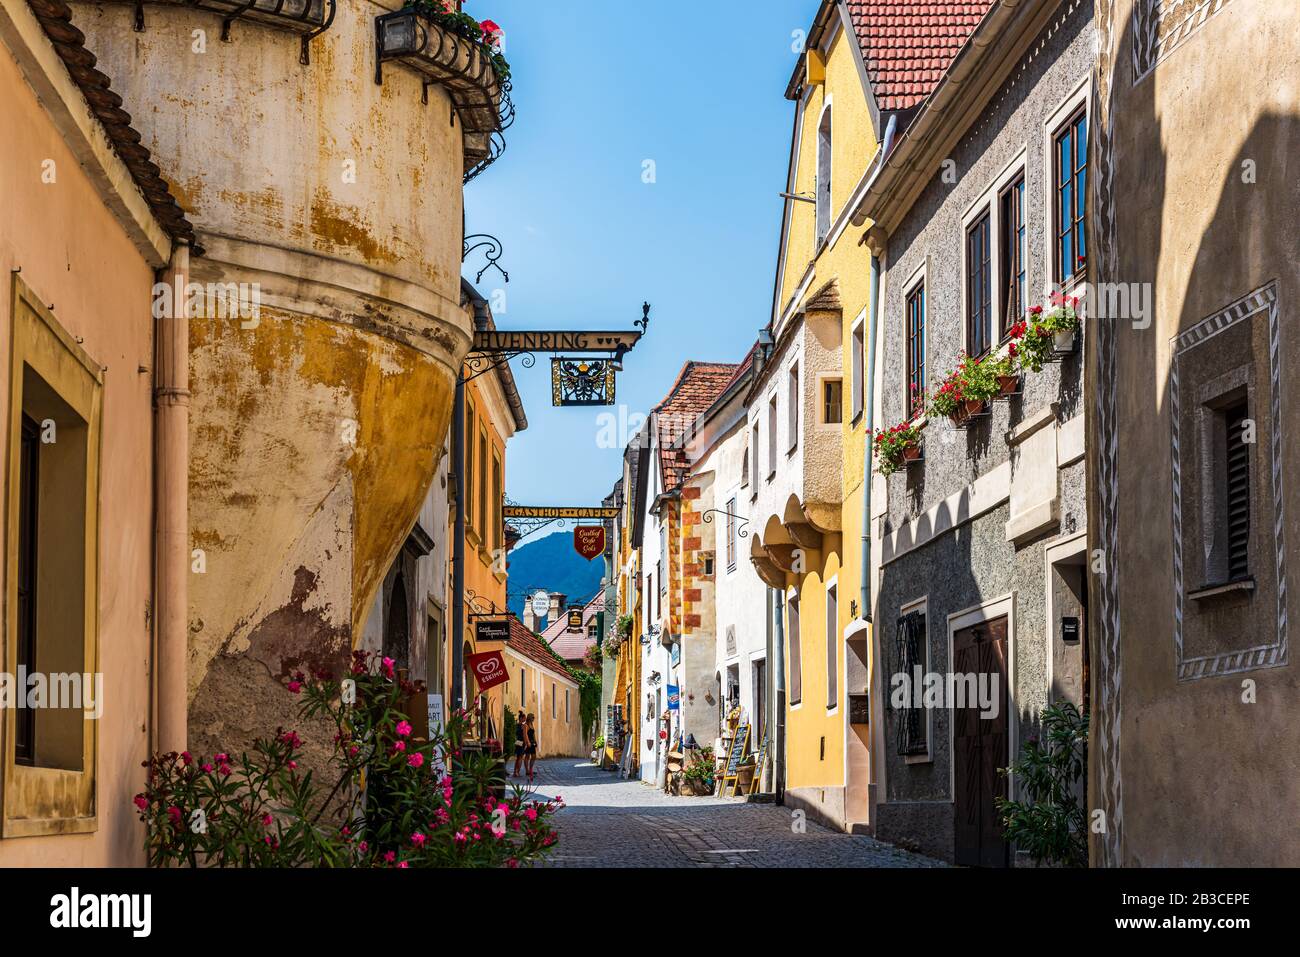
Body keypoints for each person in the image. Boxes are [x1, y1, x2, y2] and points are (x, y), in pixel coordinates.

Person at [524, 712, 538, 780]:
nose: (533, 719)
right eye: (533, 717)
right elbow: (525, 734)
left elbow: (533, 734)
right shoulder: (526, 725)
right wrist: (527, 742)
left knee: (534, 756)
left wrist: (535, 741)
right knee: (527, 756)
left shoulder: (531, 725)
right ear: (529, 718)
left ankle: (530, 769)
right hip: (528, 742)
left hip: (532, 742)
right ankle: (527, 771)